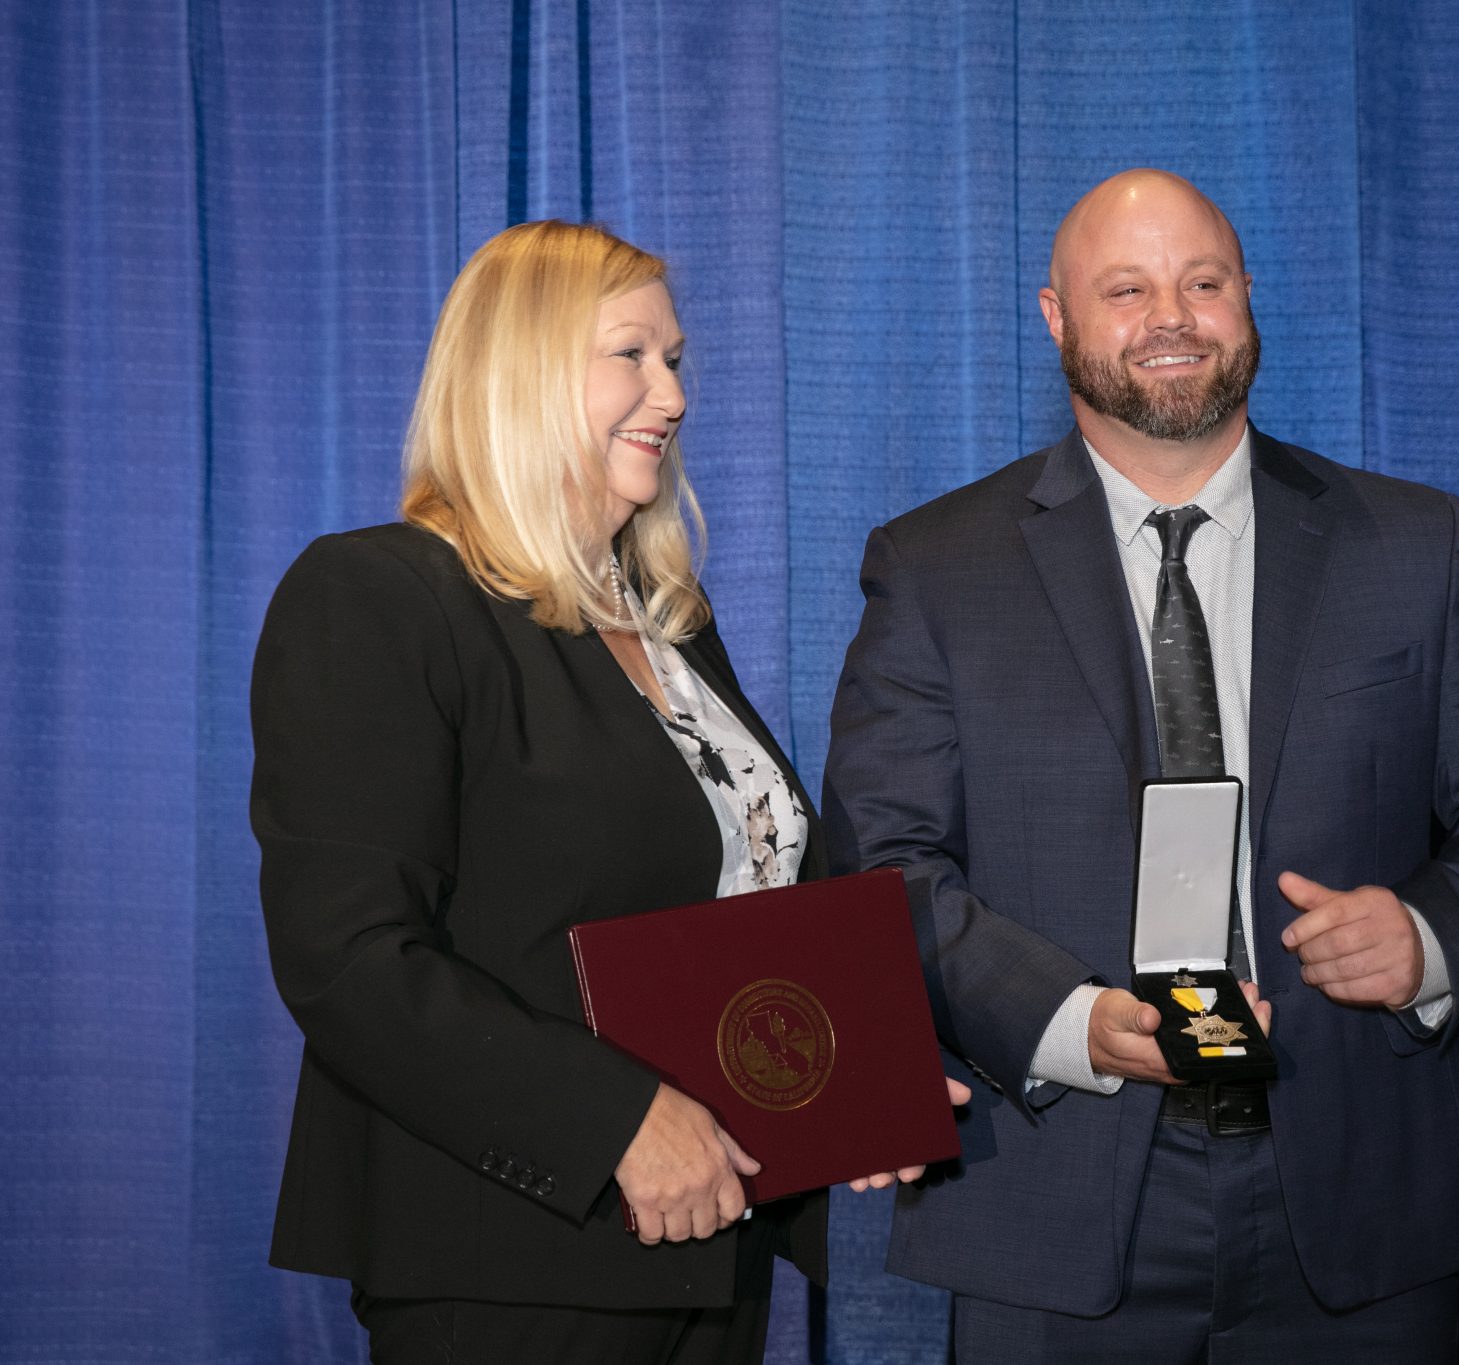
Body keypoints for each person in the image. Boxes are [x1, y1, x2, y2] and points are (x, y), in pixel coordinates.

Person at [822, 170, 1459, 1360]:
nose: (1169, 317)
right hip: (1056, 1196)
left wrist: (1429, 935)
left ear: (1246, 299)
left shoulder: (1406, 541)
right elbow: (882, 867)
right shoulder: (933, 567)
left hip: (1355, 1200)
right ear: (1054, 318)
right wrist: (1071, 1022)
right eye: (1124, 289)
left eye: (1202, 282)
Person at [251, 220, 954, 1364]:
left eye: (675, 360)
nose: (669, 395)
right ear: (519, 371)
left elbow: (735, 920)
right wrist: (615, 1122)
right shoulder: (379, 594)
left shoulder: (671, 625)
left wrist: (854, 1090)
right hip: (507, 1265)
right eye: (630, 355)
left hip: (708, 1247)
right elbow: (350, 959)